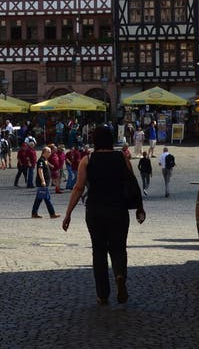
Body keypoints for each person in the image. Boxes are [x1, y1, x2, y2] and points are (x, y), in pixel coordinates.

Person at [62, 126, 145, 305]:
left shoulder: (87, 159)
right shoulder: (122, 157)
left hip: (95, 211)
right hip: (118, 210)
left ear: (95, 141)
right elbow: (133, 182)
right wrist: (139, 207)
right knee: (119, 248)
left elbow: (78, 188)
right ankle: (120, 275)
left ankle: (102, 294)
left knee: (98, 251)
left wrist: (68, 213)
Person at [31, 147, 61, 219]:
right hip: (42, 183)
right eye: (49, 152)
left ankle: (34, 213)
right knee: (47, 198)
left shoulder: (45, 160)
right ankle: (52, 213)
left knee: (39, 199)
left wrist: (51, 165)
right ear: (44, 152)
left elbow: (46, 164)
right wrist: (43, 180)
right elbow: (40, 170)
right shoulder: (41, 160)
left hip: (45, 182)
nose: (50, 153)